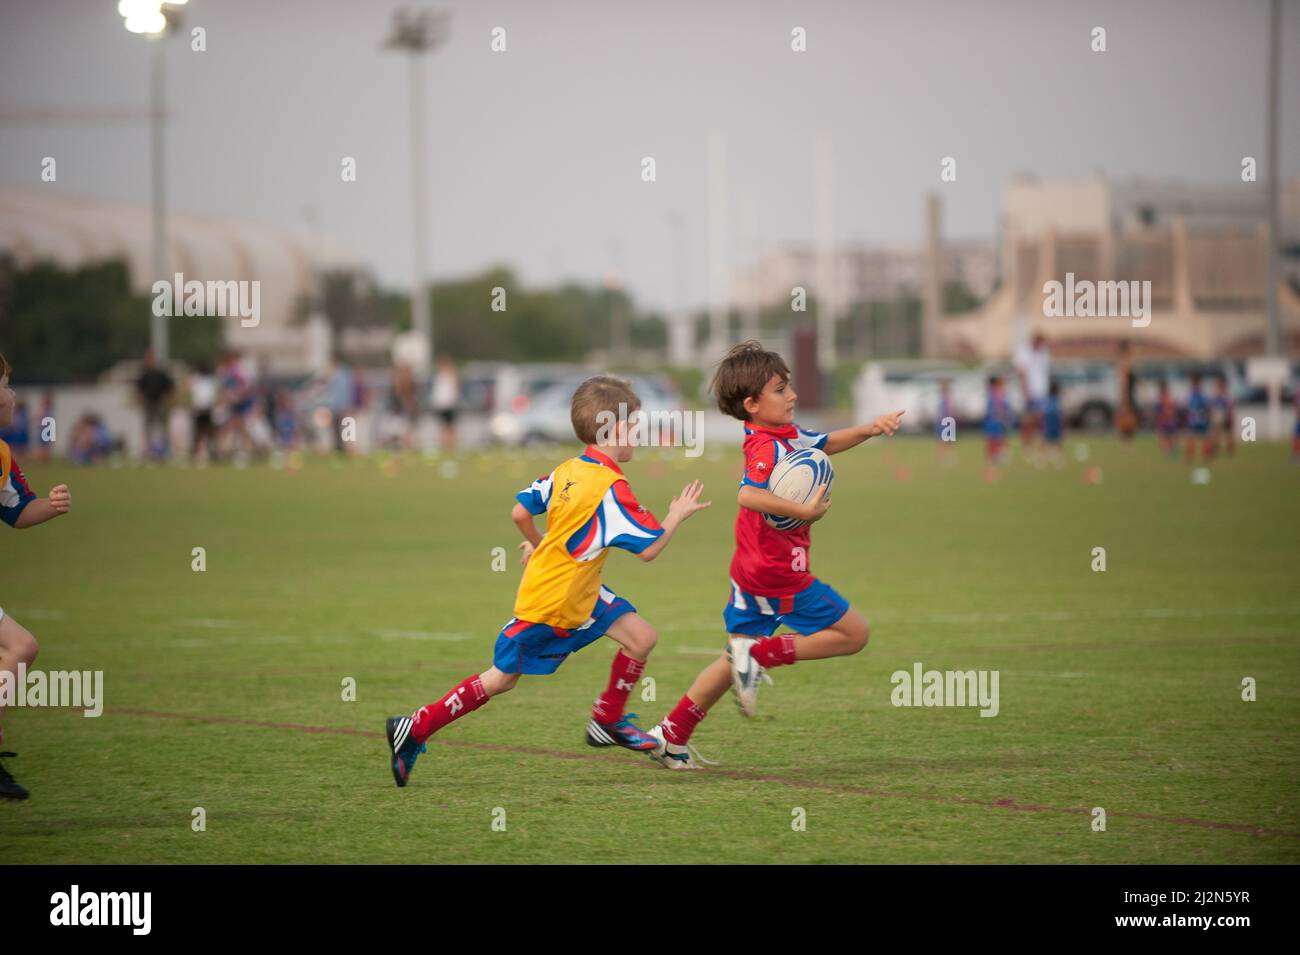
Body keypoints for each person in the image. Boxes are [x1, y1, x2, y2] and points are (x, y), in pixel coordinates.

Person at [384, 375, 711, 786]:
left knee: (641, 637)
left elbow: (521, 512)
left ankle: (606, 721)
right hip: (556, 599)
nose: (637, 437)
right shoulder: (611, 488)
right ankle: (414, 727)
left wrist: (540, 546)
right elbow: (648, 550)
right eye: (633, 428)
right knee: (502, 678)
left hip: (579, 588)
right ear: (612, 429)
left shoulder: (568, 470)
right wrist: (675, 515)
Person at [644, 342, 903, 769]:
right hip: (778, 572)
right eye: (781, 390)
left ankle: (671, 735)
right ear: (752, 404)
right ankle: (762, 656)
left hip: (750, 570)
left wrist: (870, 429)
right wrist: (803, 511)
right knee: (855, 634)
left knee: (731, 660)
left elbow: (826, 442)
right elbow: (748, 494)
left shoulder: (787, 434)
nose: (793, 396)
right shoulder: (764, 446)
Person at [0, 351, 73, 799]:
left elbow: (15, 508)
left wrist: (52, 504)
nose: (11, 395)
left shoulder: (2, 454)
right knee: (20, 647)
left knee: (20, 647)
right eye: (6, 384)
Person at [1014, 331, 1050, 460]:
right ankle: (1027, 447)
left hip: (1041, 392)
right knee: (1028, 421)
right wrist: (1026, 392)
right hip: (1030, 393)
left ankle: (1042, 448)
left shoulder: (1044, 352)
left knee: (1042, 421)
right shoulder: (1023, 352)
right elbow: (1022, 373)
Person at [134, 349, 174, 460]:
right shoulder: (144, 374)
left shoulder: (161, 373)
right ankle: (147, 451)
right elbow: (139, 389)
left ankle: (165, 451)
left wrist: (166, 399)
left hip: (160, 404)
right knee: (148, 428)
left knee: (163, 428)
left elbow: (169, 387)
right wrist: (141, 399)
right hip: (148, 404)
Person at [983, 375, 1014, 481]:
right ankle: (994, 466)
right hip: (995, 422)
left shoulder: (991, 394)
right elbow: (999, 408)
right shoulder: (996, 393)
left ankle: (994, 465)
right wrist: (1004, 419)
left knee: (993, 444)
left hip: (992, 422)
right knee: (995, 444)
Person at [188, 358, 219, 463]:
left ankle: (212, 452)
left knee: (208, 432)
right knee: (199, 432)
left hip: (206, 408)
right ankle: (196, 452)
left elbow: (211, 395)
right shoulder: (198, 380)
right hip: (200, 409)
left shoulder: (209, 380)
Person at [430, 353, 460, 453]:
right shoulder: (439, 375)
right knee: (444, 427)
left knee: (450, 426)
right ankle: (445, 446)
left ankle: (450, 446)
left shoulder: (451, 374)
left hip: (449, 404)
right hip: (441, 404)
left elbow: (454, 388)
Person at [1184, 372, 1212, 464]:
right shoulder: (1201, 393)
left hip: (1195, 420)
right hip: (1201, 419)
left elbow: (1189, 407)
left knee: (1192, 438)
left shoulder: (1193, 394)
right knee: (1204, 438)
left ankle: (1191, 459)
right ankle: (1205, 459)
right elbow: (1207, 408)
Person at [1115, 341, 1139, 445]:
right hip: (1127, 395)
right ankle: (1125, 440)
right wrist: (1124, 398)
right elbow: (1124, 383)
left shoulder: (1128, 363)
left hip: (1130, 393)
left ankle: (1126, 440)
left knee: (1130, 418)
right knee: (1127, 418)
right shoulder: (1125, 365)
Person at [1210, 375, 1236, 459]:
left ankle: (1230, 453)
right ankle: (1216, 452)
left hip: (1224, 416)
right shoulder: (1218, 395)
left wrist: (1230, 416)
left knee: (1227, 436)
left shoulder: (1226, 396)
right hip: (1218, 416)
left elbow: (1230, 407)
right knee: (1216, 435)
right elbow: (1213, 406)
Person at [1155, 380, 1180, 458]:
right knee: (1165, 437)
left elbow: (1170, 409)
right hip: (1165, 421)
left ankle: (1169, 451)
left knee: (1169, 437)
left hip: (1167, 421)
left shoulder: (1165, 398)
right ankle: (1168, 451)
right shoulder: (1163, 398)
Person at [1043, 378, 1065, 467]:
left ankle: (1054, 459)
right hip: (1053, 423)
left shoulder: (1051, 399)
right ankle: (1047, 459)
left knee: (1051, 441)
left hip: (1051, 423)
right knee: (1054, 442)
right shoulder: (1054, 400)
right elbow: (1059, 413)